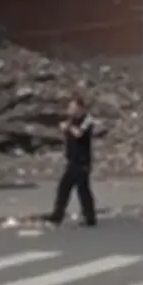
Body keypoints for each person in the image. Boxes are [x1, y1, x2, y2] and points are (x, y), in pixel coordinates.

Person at [48, 96, 97, 227]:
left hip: (82, 162)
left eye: (72, 108)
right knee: (78, 189)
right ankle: (89, 217)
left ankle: (58, 216)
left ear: (80, 108)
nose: (70, 110)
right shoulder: (72, 120)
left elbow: (78, 134)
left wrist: (68, 127)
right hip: (72, 160)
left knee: (71, 188)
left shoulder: (87, 120)